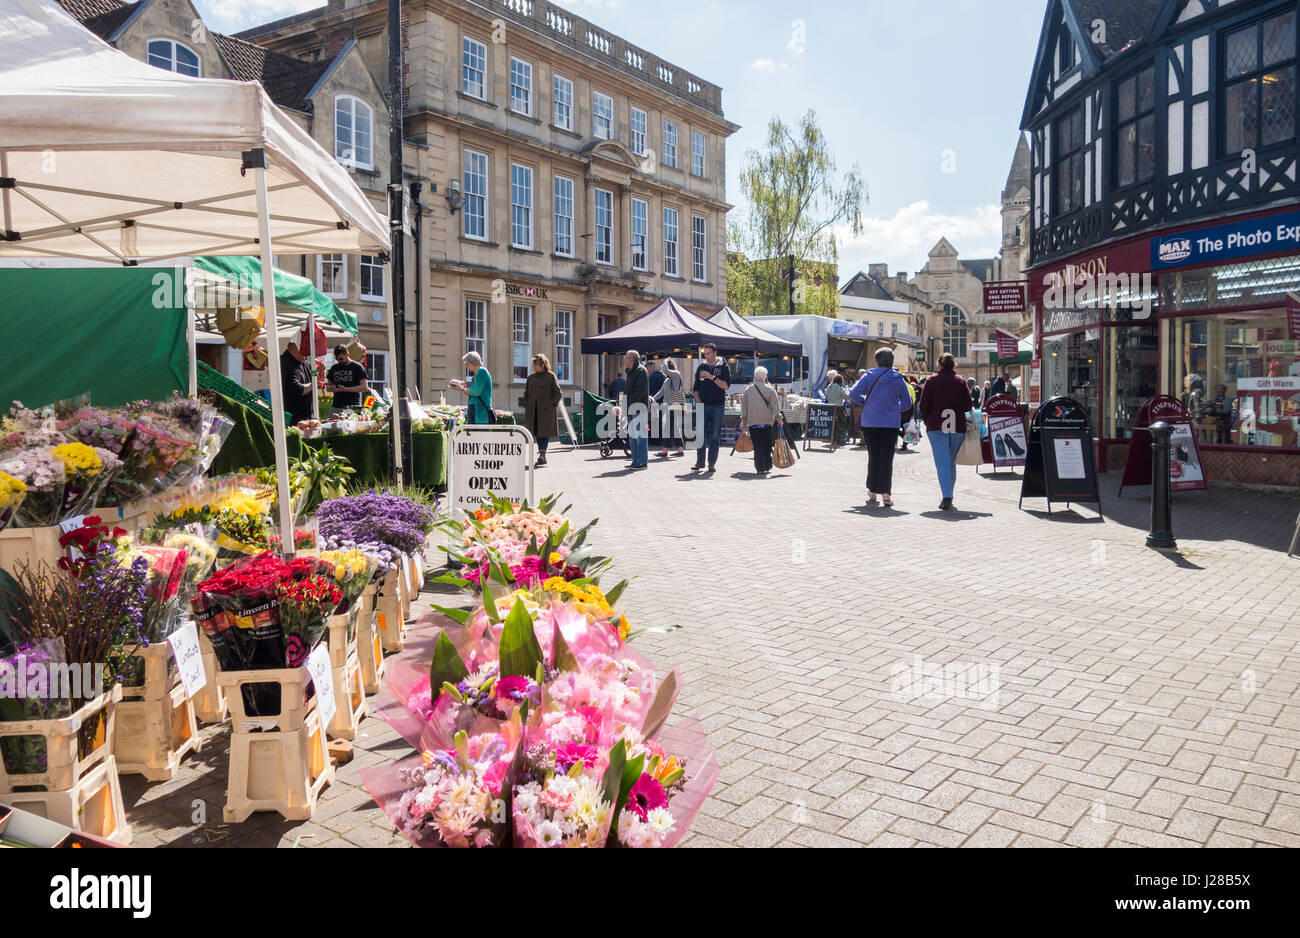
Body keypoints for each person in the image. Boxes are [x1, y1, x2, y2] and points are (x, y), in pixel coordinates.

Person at [848, 348, 915, 508]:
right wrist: (893, 406)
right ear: (891, 361)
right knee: (887, 457)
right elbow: (907, 404)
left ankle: (872, 491)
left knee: (873, 456)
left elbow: (853, 394)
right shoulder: (898, 379)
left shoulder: (869, 376)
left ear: (877, 361)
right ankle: (886, 494)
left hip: (871, 421)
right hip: (890, 423)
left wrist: (868, 401)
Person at [919, 353, 975, 511]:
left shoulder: (931, 380)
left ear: (939, 365)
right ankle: (949, 494)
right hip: (957, 426)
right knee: (951, 462)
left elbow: (923, 405)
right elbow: (968, 405)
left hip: (936, 425)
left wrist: (927, 419)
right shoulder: (961, 381)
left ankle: (947, 496)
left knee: (942, 463)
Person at [692, 342, 730, 473]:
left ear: (715, 352)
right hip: (703, 404)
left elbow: (725, 385)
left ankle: (711, 464)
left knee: (714, 436)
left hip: (717, 405)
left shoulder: (723, 366)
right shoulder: (701, 366)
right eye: (705, 354)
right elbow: (696, 387)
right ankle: (700, 462)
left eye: (708, 353)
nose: (706, 356)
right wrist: (697, 400)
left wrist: (711, 377)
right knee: (700, 435)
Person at [740, 365, 783, 475]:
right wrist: (779, 419)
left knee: (757, 446)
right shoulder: (770, 389)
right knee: (767, 445)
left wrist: (743, 421)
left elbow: (743, 407)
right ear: (765, 376)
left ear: (755, 376)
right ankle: (768, 465)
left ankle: (760, 468)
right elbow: (775, 406)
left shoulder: (748, 390)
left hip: (753, 422)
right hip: (767, 421)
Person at [524, 353, 562, 467]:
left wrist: (552, 405)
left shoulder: (550, 376)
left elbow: (558, 393)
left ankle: (542, 454)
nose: (534, 367)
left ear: (543, 364)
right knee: (535, 432)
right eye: (533, 364)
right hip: (533, 410)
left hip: (546, 411)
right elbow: (526, 393)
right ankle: (541, 453)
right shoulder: (531, 377)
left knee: (543, 433)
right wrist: (527, 403)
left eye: (536, 364)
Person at [654, 357, 687, 457]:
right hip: (668, 407)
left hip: (675, 406)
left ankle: (665, 450)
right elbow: (661, 393)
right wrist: (651, 399)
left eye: (662, 366)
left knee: (668, 428)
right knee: (673, 428)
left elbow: (665, 370)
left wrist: (665, 362)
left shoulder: (676, 375)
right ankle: (680, 450)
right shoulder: (667, 380)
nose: (661, 369)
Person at [623, 350, 650, 469]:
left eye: (626, 357)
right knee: (633, 437)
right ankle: (635, 461)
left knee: (640, 436)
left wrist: (628, 402)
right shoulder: (630, 371)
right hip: (630, 408)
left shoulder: (640, 371)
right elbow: (628, 390)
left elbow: (641, 391)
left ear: (632, 359)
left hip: (638, 407)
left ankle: (642, 462)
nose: (624, 359)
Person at [451, 350, 493, 424]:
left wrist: (462, 389)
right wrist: (463, 387)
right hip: (475, 410)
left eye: (467, 363)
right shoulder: (475, 375)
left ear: (472, 362)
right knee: (472, 434)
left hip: (480, 412)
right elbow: (473, 392)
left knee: (479, 434)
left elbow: (476, 392)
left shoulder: (481, 371)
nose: (466, 366)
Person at [325, 344, 369, 415]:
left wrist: (346, 389)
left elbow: (364, 387)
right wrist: (334, 389)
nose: (339, 361)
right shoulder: (334, 368)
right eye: (337, 359)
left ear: (347, 354)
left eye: (341, 358)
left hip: (352, 406)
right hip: (336, 406)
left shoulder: (357, 367)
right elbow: (328, 386)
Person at [280, 341, 314, 424]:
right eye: (303, 351)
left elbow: (314, 375)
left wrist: (319, 371)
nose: (305, 354)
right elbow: (298, 389)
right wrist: (314, 383)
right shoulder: (285, 363)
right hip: (292, 416)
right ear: (293, 350)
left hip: (307, 413)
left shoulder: (305, 362)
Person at [823, 371, 849, 447]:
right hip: (839, 408)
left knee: (832, 425)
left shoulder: (828, 387)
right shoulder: (840, 388)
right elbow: (846, 396)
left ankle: (832, 439)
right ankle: (841, 441)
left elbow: (826, 397)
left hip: (831, 408)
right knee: (842, 425)